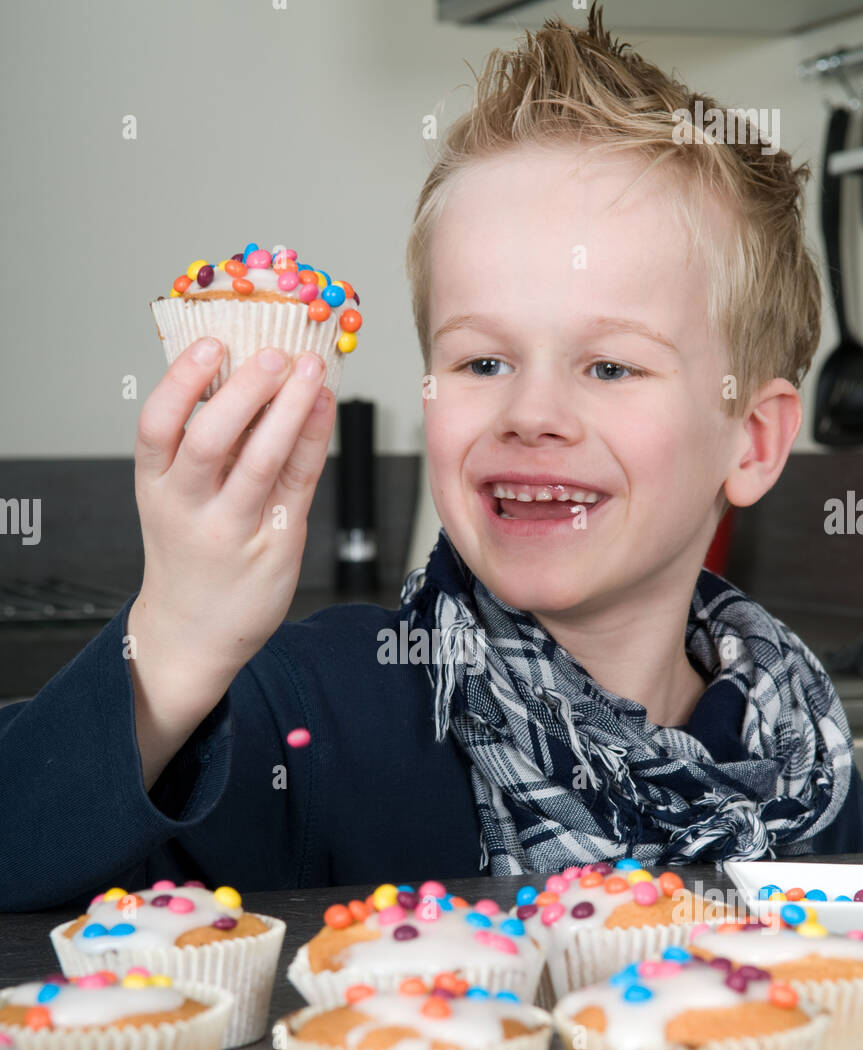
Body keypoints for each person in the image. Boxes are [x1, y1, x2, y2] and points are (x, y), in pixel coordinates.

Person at [2, 5, 860, 913]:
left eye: (610, 366)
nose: (530, 412)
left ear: (754, 441)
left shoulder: (808, 773)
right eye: (482, 361)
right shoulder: (314, 715)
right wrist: (176, 637)